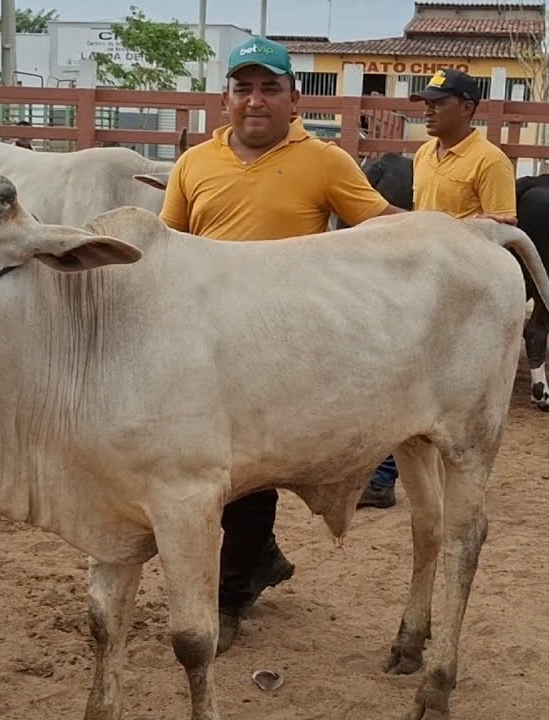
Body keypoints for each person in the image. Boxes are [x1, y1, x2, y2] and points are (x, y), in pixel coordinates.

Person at [160, 36, 404, 654]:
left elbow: (383, 230)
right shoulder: (194, 164)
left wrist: (452, 238)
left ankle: (231, 595)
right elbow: (166, 249)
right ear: (225, 98)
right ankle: (261, 558)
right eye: (243, 88)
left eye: (269, 88)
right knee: (197, 471)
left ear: (294, 99)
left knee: (249, 472)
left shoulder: (324, 162)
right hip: (200, 347)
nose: (255, 100)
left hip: (282, 350)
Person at [357, 69, 520, 511]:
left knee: (429, 385)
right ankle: (389, 476)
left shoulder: (490, 161)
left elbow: (502, 227)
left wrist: (449, 234)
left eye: (438, 103)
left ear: (467, 108)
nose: (427, 111)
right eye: (425, 103)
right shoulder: (425, 154)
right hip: (419, 286)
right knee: (403, 376)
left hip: (463, 296)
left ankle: (393, 477)